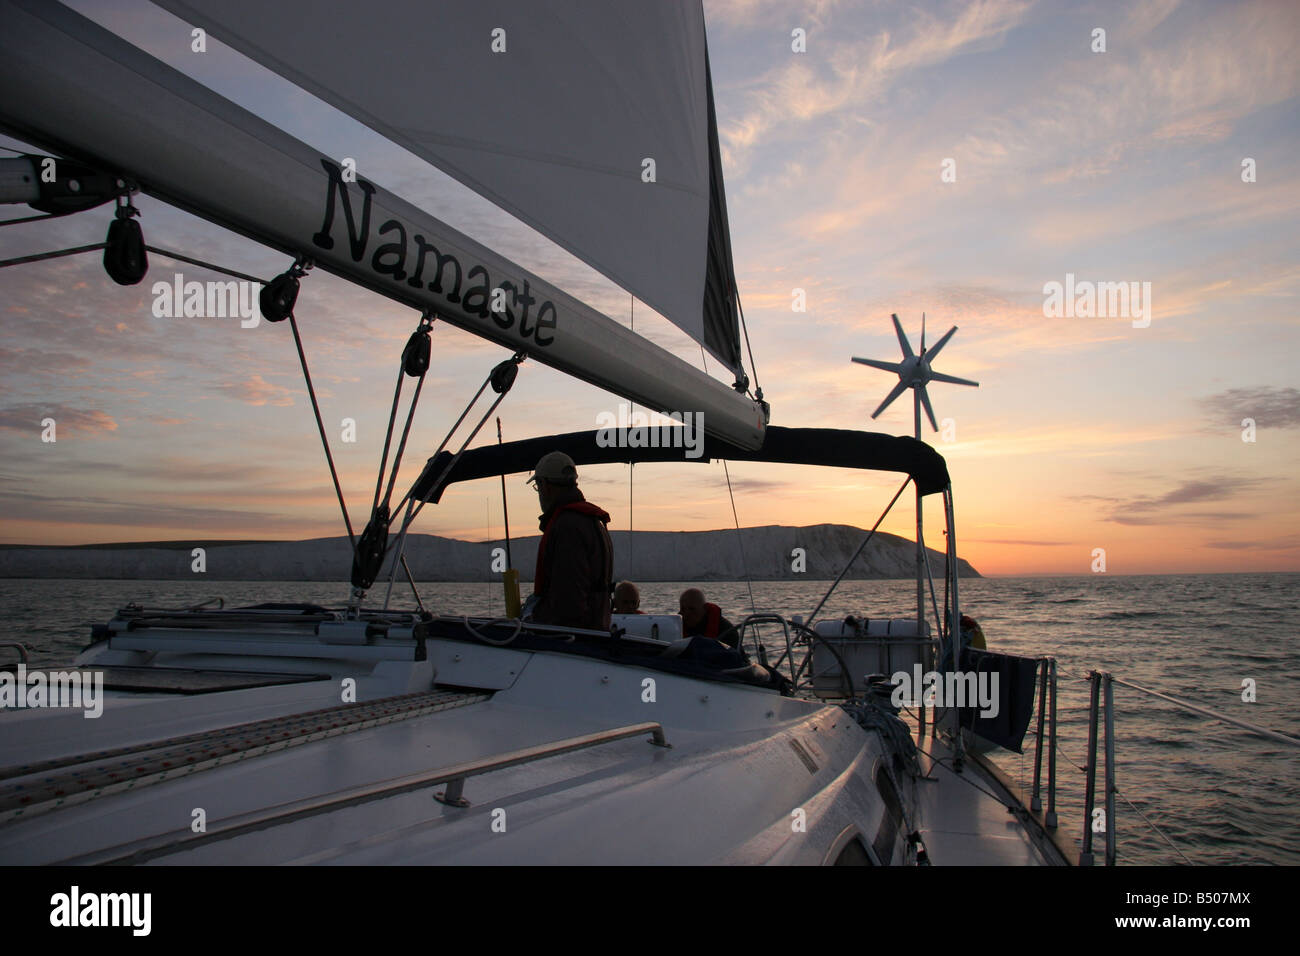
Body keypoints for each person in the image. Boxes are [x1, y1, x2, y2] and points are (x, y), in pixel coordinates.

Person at [527, 451, 614, 631]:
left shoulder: (567, 527)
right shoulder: (591, 521)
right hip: (595, 631)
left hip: (572, 641)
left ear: (545, 486)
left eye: (537, 485)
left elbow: (568, 602)